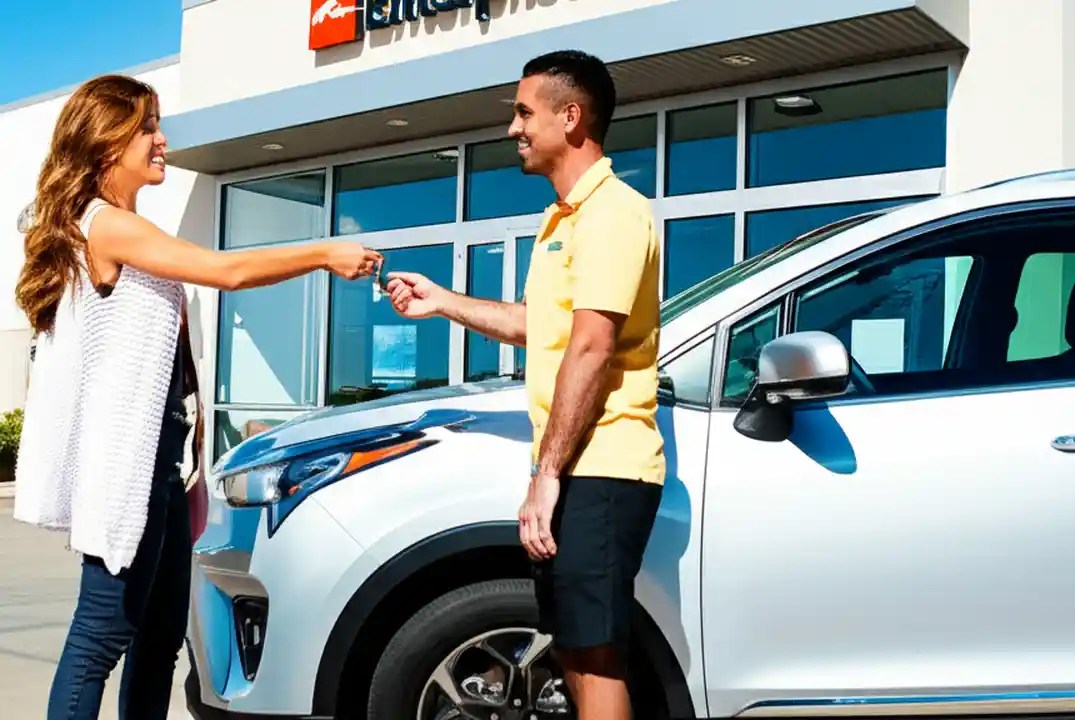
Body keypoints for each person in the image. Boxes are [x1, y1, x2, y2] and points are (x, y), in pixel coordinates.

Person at [11, 74, 380, 719]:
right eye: (147, 127)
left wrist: (191, 460)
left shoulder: (123, 226)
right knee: (100, 638)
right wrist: (323, 252)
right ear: (106, 143)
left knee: (157, 644)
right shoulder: (107, 226)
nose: (162, 140)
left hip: (164, 468)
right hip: (128, 472)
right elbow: (226, 270)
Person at [385, 50, 665, 719]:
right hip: (578, 467)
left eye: (523, 112)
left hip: (604, 465)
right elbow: (541, 326)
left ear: (571, 118)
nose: (513, 127)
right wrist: (443, 301)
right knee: (574, 648)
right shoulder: (559, 221)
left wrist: (547, 474)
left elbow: (593, 348)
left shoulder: (613, 214)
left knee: (593, 657)